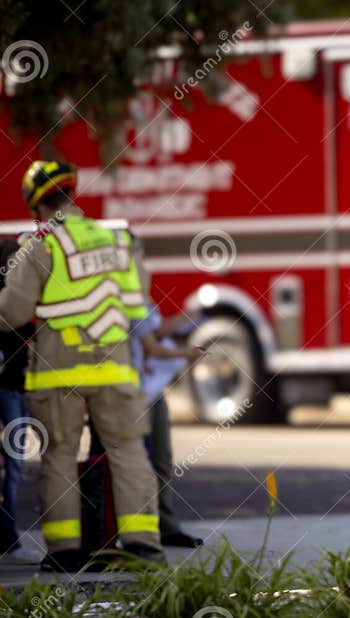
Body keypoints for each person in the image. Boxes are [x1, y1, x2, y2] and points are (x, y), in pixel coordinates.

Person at [0, 160, 163, 572]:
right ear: (72, 194)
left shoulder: (41, 242)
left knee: (59, 455)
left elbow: (12, 313)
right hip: (116, 370)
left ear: (38, 205)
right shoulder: (119, 239)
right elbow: (136, 303)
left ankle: (66, 552)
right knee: (128, 452)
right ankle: (142, 546)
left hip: (60, 373)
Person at [86, 303, 204, 549]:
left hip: (146, 389)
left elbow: (150, 333)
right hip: (124, 392)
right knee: (127, 463)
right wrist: (187, 353)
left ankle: (160, 527)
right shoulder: (117, 290)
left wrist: (182, 321)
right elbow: (150, 344)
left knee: (156, 459)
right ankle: (115, 533)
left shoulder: (140, 295)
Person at [0, 239, 43, 564]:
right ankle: (9, 541)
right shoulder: (9, 301)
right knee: (12, 466)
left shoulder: (27, 296)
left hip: (24, 387)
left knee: (15, 465)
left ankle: (9, 539)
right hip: (9, 389)